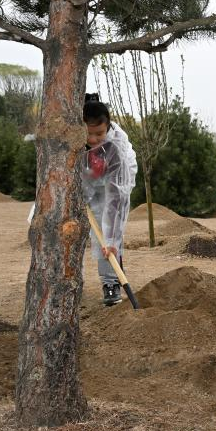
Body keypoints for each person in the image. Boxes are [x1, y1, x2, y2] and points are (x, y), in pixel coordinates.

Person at [82, 94, 138, 306]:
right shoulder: (72, 137)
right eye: (88, 133)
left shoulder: (117, 148)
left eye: (99, 133)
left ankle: (111, 282)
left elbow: (117, 199)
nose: (94, 139)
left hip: (115, 183)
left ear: (108, 127)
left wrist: (113, 239)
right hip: (89, 178)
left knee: (106, 235)